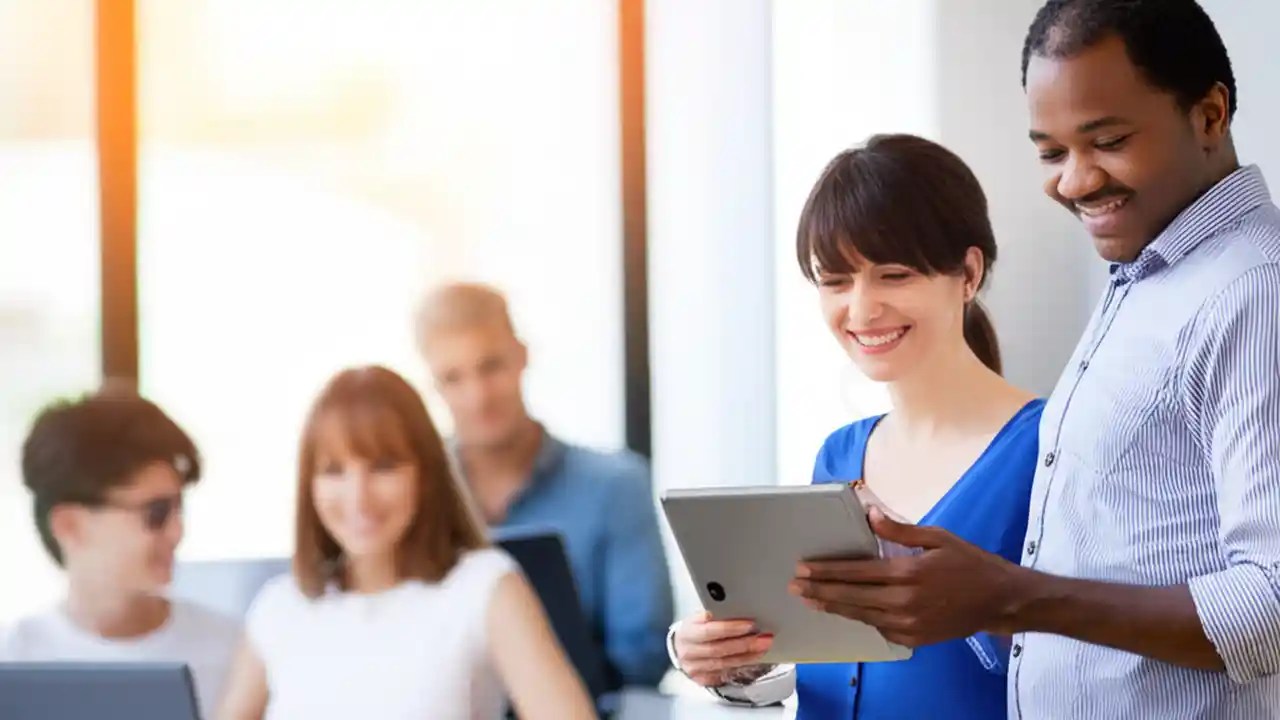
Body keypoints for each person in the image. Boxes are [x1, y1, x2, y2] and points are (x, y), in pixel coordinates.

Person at [789, 1, 1280, 717]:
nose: (1075, 182)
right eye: (1051, 153)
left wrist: (1015, 598)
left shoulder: (1252, 292)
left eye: (1106, 140)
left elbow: (1271, 601)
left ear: (1208, 116)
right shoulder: (1151, 281)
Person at [669, 134, 1044, 718]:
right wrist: (737, 659)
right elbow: (843, 664)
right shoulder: (840, 454)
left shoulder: (1048, 447)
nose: (862, 310)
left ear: (968, 274)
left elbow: (1085, 655)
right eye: (836, 280)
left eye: (893, 275)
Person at [216, 366, 595, 720]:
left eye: (382, 467)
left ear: (425, 474)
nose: (358, 497)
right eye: (334, 471)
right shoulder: (281, 606)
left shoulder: (483, 587)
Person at [415, 283, 674, 689]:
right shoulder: (414, 497)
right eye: (453, 378)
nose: (478, 396)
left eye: (490, 367)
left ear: (522, 356)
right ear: (433, 386)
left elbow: (643, 655)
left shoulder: (615, 487)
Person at [0, 391, 240, 720]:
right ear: (70, 525)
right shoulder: (14, 658)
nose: (177, 532)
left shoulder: (234, 652)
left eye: (178, 507)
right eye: (156, 512)